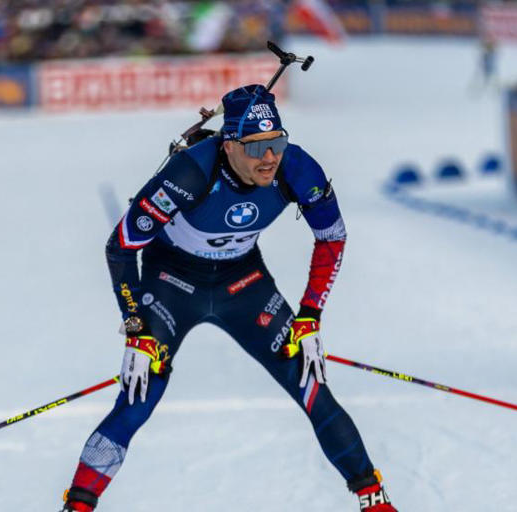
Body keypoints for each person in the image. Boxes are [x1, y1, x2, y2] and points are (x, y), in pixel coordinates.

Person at [60, 84, 397, 512]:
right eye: (256, 148)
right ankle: (78, 505)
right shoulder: (189, 173)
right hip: (171, 282)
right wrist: (136, 329)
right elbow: (121, 247)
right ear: (229, 144)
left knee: (310, 382)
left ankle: (373, 498)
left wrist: (310, 315)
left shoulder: (297, 168)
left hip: (243, 283)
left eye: (277, 143)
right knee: (140, 394)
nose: (269, 158)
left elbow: (332, 236)